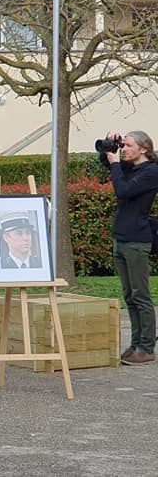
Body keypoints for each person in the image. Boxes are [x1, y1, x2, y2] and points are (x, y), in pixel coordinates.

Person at [100, 130, 158, 366]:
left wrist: (115, 164)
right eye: (122, 146)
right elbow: (107, 162)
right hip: (121, 238)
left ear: (143, 149)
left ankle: (146, 348)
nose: (123, 150)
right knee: (129, 295)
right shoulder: (130, 167)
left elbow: (122, 190)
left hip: (137, 240)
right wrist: (109, 147)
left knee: (140, 295)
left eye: (127, 146)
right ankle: (135, 344)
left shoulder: (152, 171)